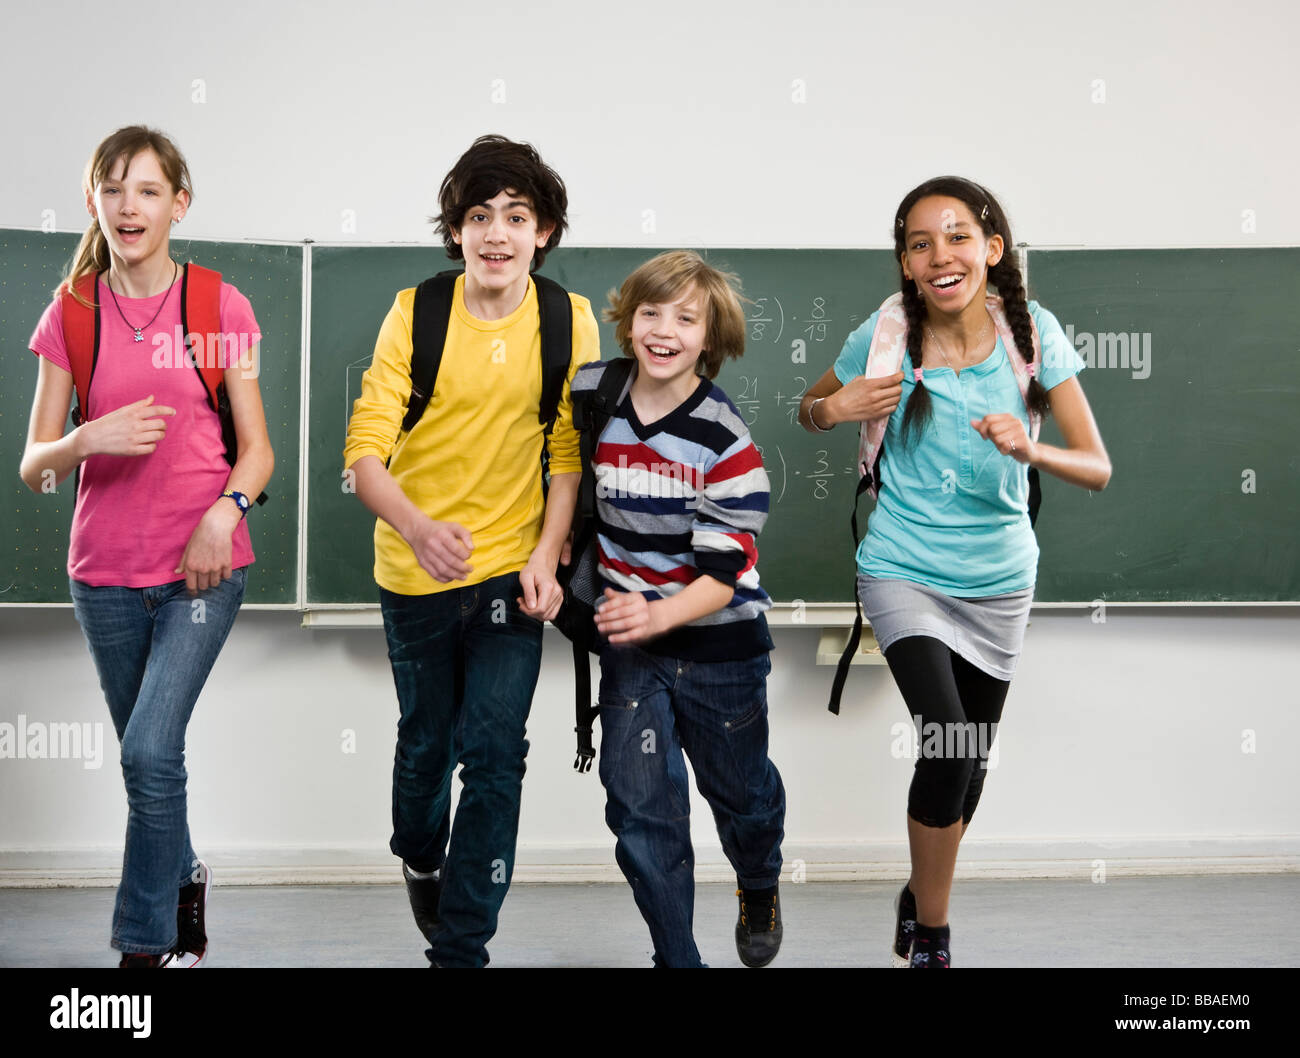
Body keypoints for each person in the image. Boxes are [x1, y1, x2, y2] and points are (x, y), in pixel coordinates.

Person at [799, 177, 1111, 968]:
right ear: (905, 263)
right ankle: (932, 935)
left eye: (958, 236)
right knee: (947, 743)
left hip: (1000, 580)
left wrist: (1029, 446)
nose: (940, 254)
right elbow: (811, 405)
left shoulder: (1032, 334)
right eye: (919, 242)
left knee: (969, 759)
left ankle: (918, 895)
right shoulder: (886, 330)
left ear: (992, 248)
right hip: (903, 566)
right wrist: (834, 412)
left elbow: (1097, 466)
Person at [19, 125, 274, 968]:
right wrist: (88, 438)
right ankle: (186, 874)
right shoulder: (74, 311)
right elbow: (34, 463)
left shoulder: (216, 307)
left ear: (179, 203)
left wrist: (224, 512)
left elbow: (258, 450)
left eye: (148, 190)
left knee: (147, 750)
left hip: (203, 570)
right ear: (94, 201)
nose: (129, 206)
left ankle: (140, 949)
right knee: (150, 764)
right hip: (103, 577)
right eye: (113, 188)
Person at [343, 135, 599, 968]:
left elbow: (569, 453)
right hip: (413, 572)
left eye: (517, 217)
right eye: (479, 216)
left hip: (508, 571)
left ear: (545, 231)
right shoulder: (414, 312)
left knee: (494, 752)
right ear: (456, 230)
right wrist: (418, 528)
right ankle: (419, 854)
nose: (497, 233)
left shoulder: (569, 318)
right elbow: (364, 453)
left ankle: (461, 951)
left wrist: (547, 554)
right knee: (427, 744)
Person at [572, 250, 786, 968]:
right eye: (650, 312)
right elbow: (559, 471)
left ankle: (758, 880)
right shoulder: (593, 392)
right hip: (634, 652)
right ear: (628, 321)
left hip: (719, 652)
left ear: (711, 337)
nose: (664, 330)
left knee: (744, 801)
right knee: (640, 813)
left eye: (686, 318)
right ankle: (678, 958)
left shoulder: (725, 440)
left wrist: (655, 614)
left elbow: (723, 577)